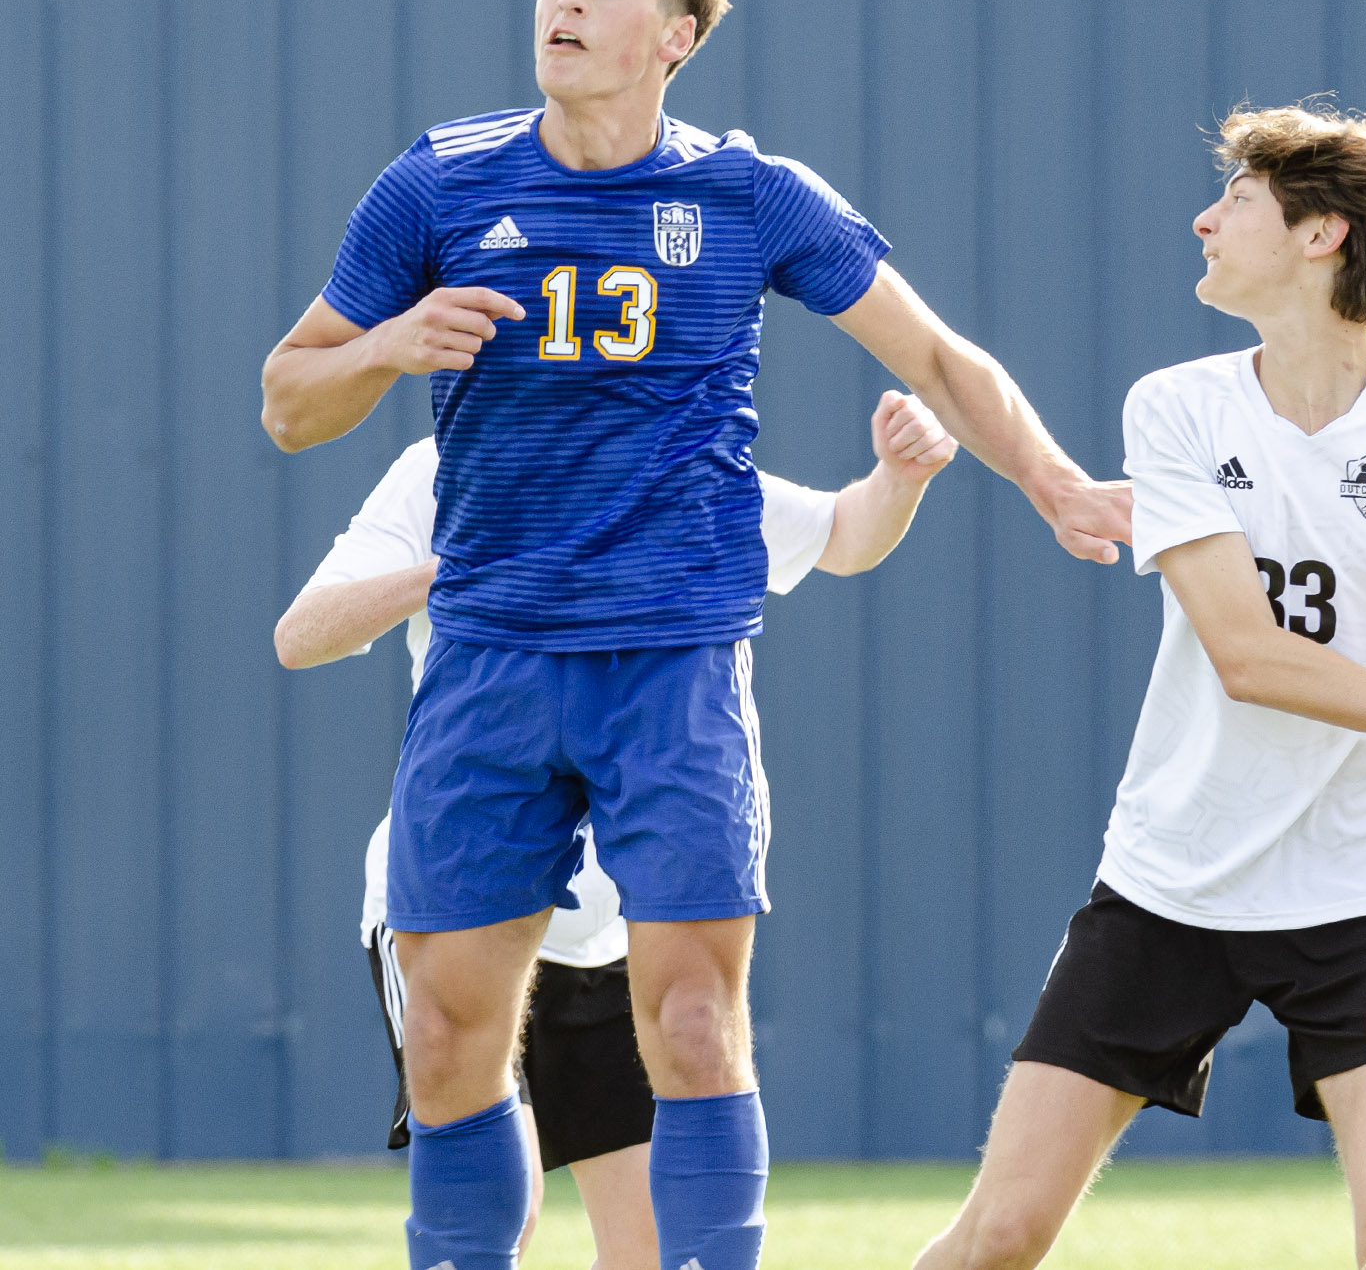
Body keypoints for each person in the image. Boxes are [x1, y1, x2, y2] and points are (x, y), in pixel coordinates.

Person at [258, 0, 1129, 1270]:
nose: (569, 2)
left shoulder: (750, 195)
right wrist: (381, 346)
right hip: (491, 656)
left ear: (677, 35)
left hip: (673, 662)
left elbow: (934, 352)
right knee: (447, 1035)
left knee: (689, 1018)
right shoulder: (438, 179)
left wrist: (1053, 480)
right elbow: (289, 398)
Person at [915, 103, 1366, 1270]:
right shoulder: (1177, 405)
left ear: (1320, 233)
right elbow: (1249, 658)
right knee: (999, 1235)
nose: (1202, 216)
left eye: (1234, 197)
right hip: (1167, 877)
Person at [275, 389, 957, 1270]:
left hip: (617, 939)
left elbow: (845, 534)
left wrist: (899, 478)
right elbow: (303, 635)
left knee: (648, 1245)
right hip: (468, 913)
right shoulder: (440, 472)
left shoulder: (682, 468)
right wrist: (456, 570)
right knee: (500, 1216)